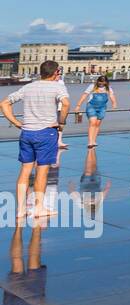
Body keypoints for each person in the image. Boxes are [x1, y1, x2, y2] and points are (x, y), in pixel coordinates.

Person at [1, 61, 69, 222]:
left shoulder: (28, 87)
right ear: (55, 72)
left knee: (25, 170)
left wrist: (17, 122)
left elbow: (4, 103)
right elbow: (65, 103)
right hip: (46, 133)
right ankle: (39, 207)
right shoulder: (58, 87)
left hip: (27, 133)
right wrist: (61, 121)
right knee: (42, 171)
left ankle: (21, 209)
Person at [73, 75, 116, 149]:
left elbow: (112, 96)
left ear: (106, 82)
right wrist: (78, 105)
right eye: (100, 81)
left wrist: (114, 103)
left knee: (97, 124)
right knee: (92, 122)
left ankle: (94, 140)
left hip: (102, 107)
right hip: (91, 106)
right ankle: (90, 142)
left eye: (103, 82)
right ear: (98, 81)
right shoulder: (92, 86)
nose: (101, 83)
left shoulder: (108, 88)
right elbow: (84, 95)